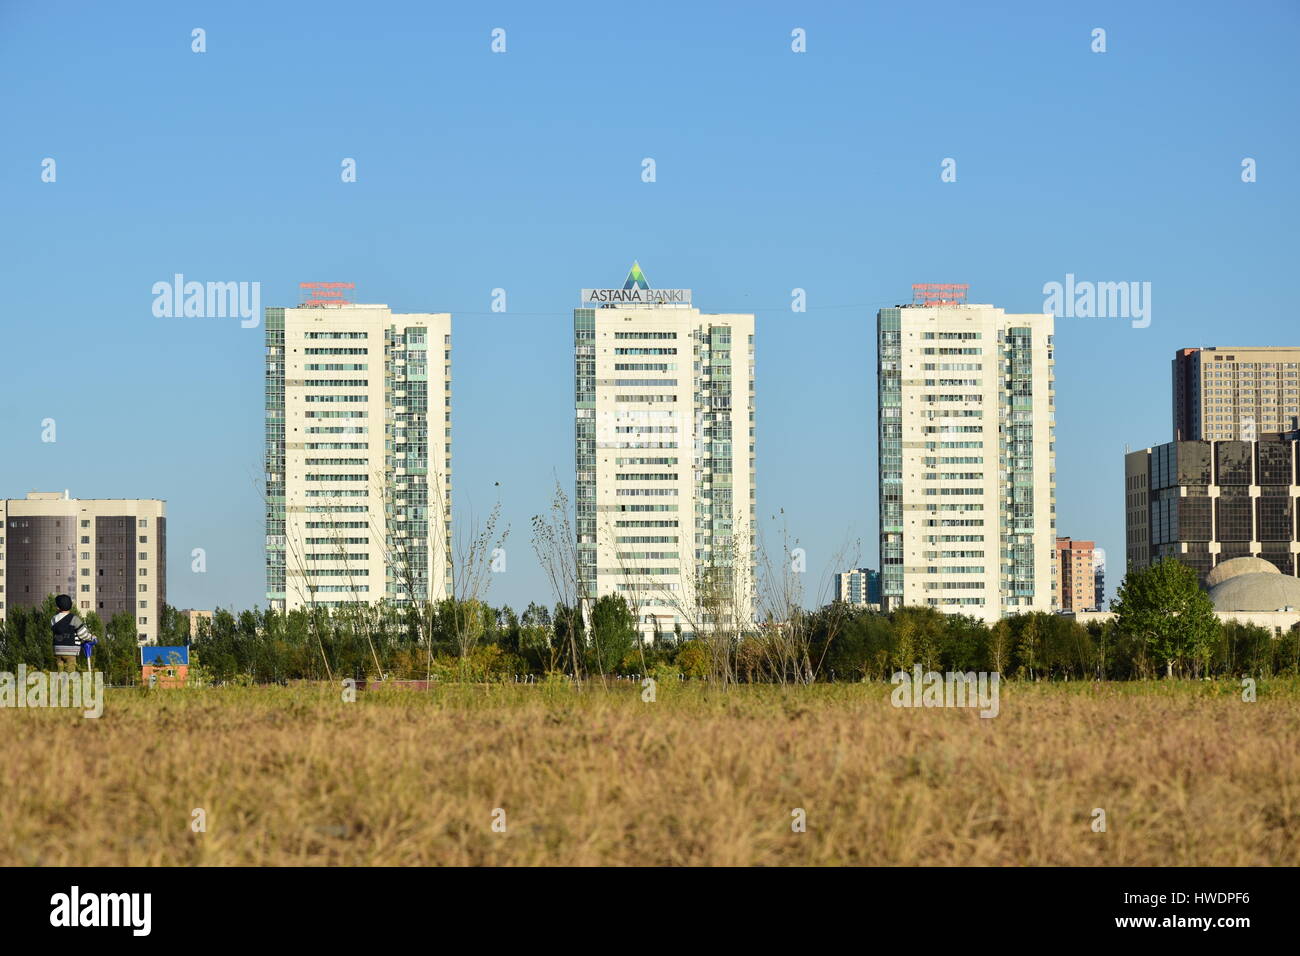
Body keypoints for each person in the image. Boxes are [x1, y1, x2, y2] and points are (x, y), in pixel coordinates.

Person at [51, 594, 91, 673]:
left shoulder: (53, 619)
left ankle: (59, 680)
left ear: (57, 607)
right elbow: (82, 634)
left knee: (59, 672)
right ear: (71, 606)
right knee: (70, 672)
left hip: (57, 650)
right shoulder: (74, 619)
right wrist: (91, 637)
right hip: (70, 650)